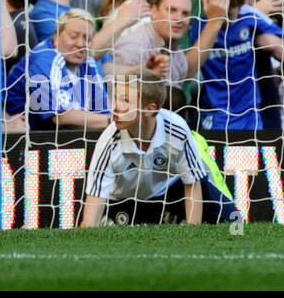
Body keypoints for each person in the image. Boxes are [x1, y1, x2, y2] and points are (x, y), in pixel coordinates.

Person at [80, 70, 237, 227]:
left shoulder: (177, 130)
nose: (114, 107)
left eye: (125, 101)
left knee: (235, 220)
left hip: (171, 191)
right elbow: (95, 199)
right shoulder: (109, 141)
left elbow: (192, 183)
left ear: (150, 109)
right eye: (114, 99)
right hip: (123, 200)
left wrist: (192, 231)